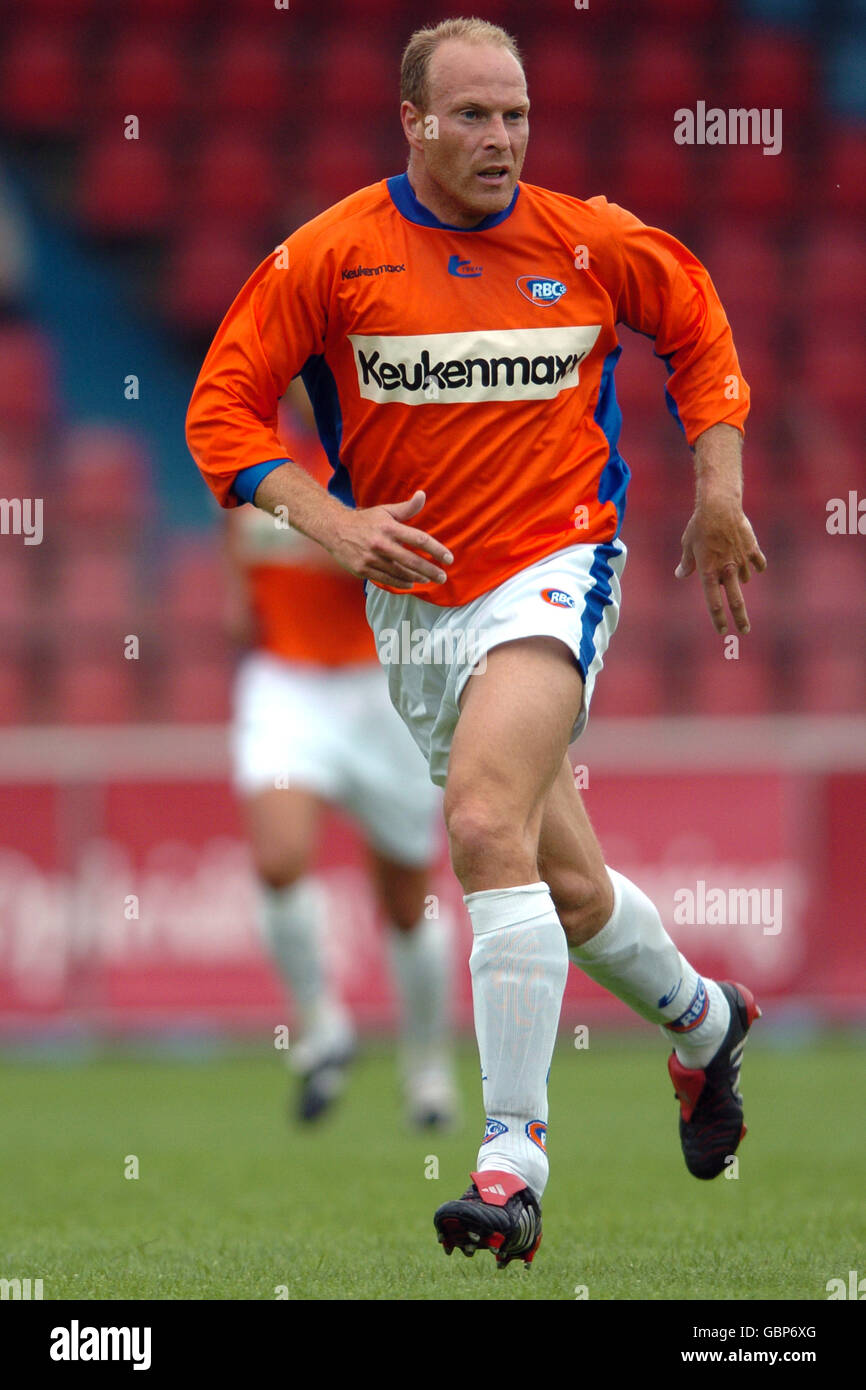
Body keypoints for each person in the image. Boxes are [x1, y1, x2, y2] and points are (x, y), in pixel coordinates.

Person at [187, 16, 767, 1268]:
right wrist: (331, 518)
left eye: (513, 114)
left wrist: (716, 487)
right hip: (417, 609)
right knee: (559, 888)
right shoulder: (331, 254)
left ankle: (511, 1158)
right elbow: (220, 412)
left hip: (559, 571)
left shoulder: (584, 237)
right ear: (412, 121)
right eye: (471, 116)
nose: (499, 138)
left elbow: (698, 328)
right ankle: (706, 1022)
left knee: (479, 825)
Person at [224, 378, 456, 1128]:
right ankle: (322, 1028)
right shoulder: (254, 444)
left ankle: (426, 1069)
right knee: (278, 858)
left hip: (380, 682)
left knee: (406, 901)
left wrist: (337, 543)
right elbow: (239, 541)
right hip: (287, 680)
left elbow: (409, 557)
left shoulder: (377, 438)